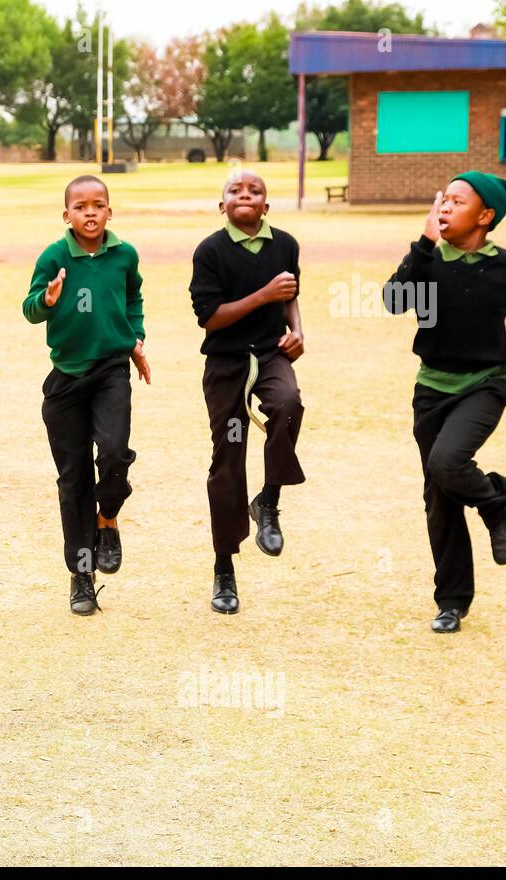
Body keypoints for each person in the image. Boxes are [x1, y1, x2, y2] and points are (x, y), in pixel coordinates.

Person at [383, 172, 506, 633]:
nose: (444, 207)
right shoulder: (428, 260)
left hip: (483, 383)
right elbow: (393, 300)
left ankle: (498, 500)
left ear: (485, 216)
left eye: (457, 201)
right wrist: (421, 245)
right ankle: (452, 601)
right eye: (442, 199)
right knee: (438, 493)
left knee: (448, 462)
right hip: (431, 387)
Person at [23, 174, 149, 615]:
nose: (90, 212)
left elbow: (133, 298)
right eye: (81, 206)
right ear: (67, 215)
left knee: (114, 454)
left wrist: (136, 338)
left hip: (111, 371)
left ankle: (108, 518)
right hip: (65, 382)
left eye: (98, 205)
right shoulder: (55, 256)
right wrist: (50, 299)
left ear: (109, 212)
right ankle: (81, 575)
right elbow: (29, 308)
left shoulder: (124, 255)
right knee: (73, 480)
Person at [188, 170, 306, 614]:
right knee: (228, 461)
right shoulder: (211, 251)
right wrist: (263, 295)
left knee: (288, 404)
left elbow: (291, 294)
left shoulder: (286, 245)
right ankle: (224, 567)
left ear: (266, 205)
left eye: (254, 191)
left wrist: (298, 330)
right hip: (227, 360)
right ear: (223, 207)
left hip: (272, 354)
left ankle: (269, 499)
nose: (244, 195)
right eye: (235, 191)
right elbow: (212, 318)